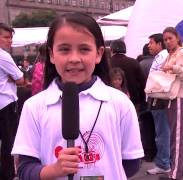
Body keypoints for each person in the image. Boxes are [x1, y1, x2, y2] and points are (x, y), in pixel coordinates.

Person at [11, 12, 144, 180]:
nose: (74, 58)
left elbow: (131, 162)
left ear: (99, 53)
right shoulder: (34, 107)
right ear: (52, 54)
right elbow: (24, 169)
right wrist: (54, 170)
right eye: (65, 50)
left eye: (84, 49)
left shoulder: (120, 103)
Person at [159, 27, 183, 180]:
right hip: (172, 96)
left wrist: (173, 68)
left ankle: (175, 174)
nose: (167, 41)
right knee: (182, 133)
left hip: (179, 96)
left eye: (170, 38)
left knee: (177, 135)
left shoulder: (182, 52)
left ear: (177, 38)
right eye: (165, 39)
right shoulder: (171, 54)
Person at [0, 22, 25, 180]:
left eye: (11, 38)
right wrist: (12, 78)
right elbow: (21, 79)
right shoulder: (3, 55)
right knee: (9, 142)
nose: (10, 41)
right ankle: (8, 175)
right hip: (6, 104)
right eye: (6, 37)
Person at [146, 33, 171, 175]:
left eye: (151, 42)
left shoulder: (163, 57)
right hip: (158, 99)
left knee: (162, 133)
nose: (149, 45)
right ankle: (164, 161)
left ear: (159, 44)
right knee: (162, 132)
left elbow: (160, 79)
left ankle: (163, 163)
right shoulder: (160, 57)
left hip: (160, 99)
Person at [109, 39, 146, 112]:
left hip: (111, 101)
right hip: (133, 101)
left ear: (111, 50)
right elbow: (143, 82)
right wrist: (141, 101)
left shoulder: (107, 63)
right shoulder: (133, 62)